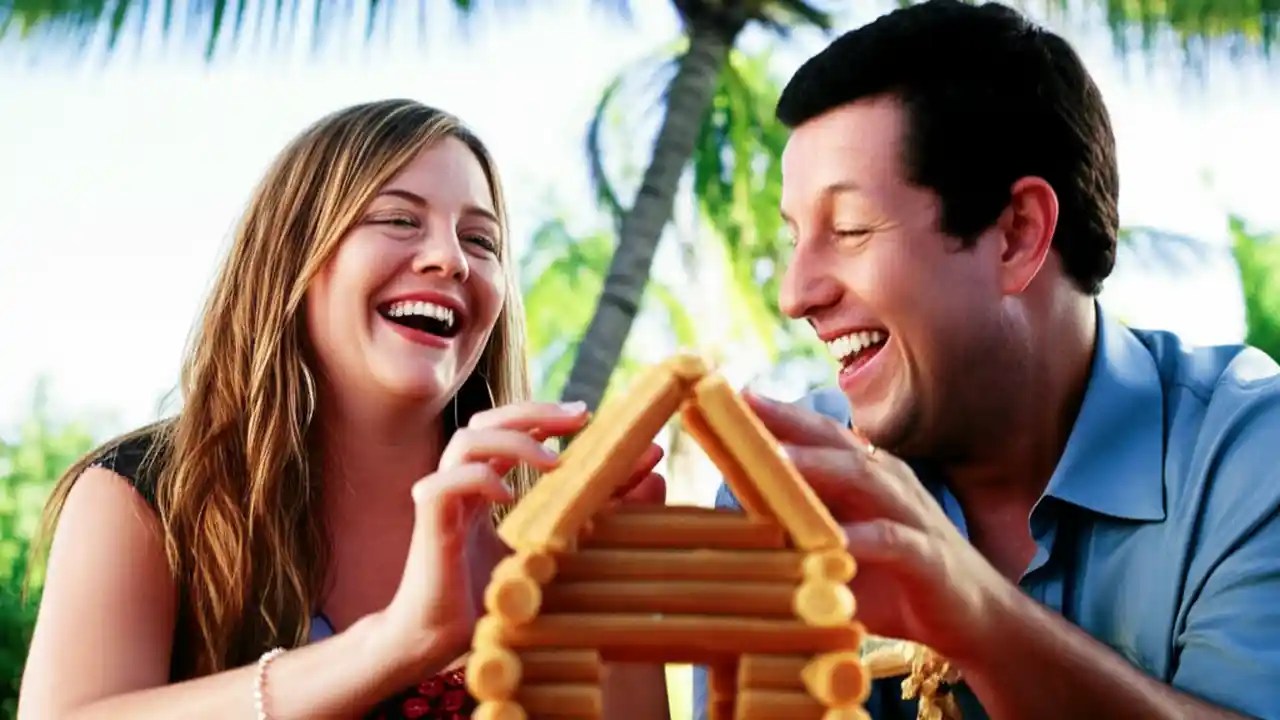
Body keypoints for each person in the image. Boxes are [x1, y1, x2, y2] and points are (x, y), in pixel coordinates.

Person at [693, 1, 1280, 718]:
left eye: (848, 229)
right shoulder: (789, 485)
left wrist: (973, 610)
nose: (796, 295)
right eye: (795, 239)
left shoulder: (1250, 456)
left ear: (1016, 236)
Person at [19, 99, 671, 720]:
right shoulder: (144, 494)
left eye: (481, 241)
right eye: (398, 219)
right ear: (292, 255)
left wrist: (617, 607)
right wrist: (396, 642)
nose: (449, 260)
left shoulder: (539, 522)